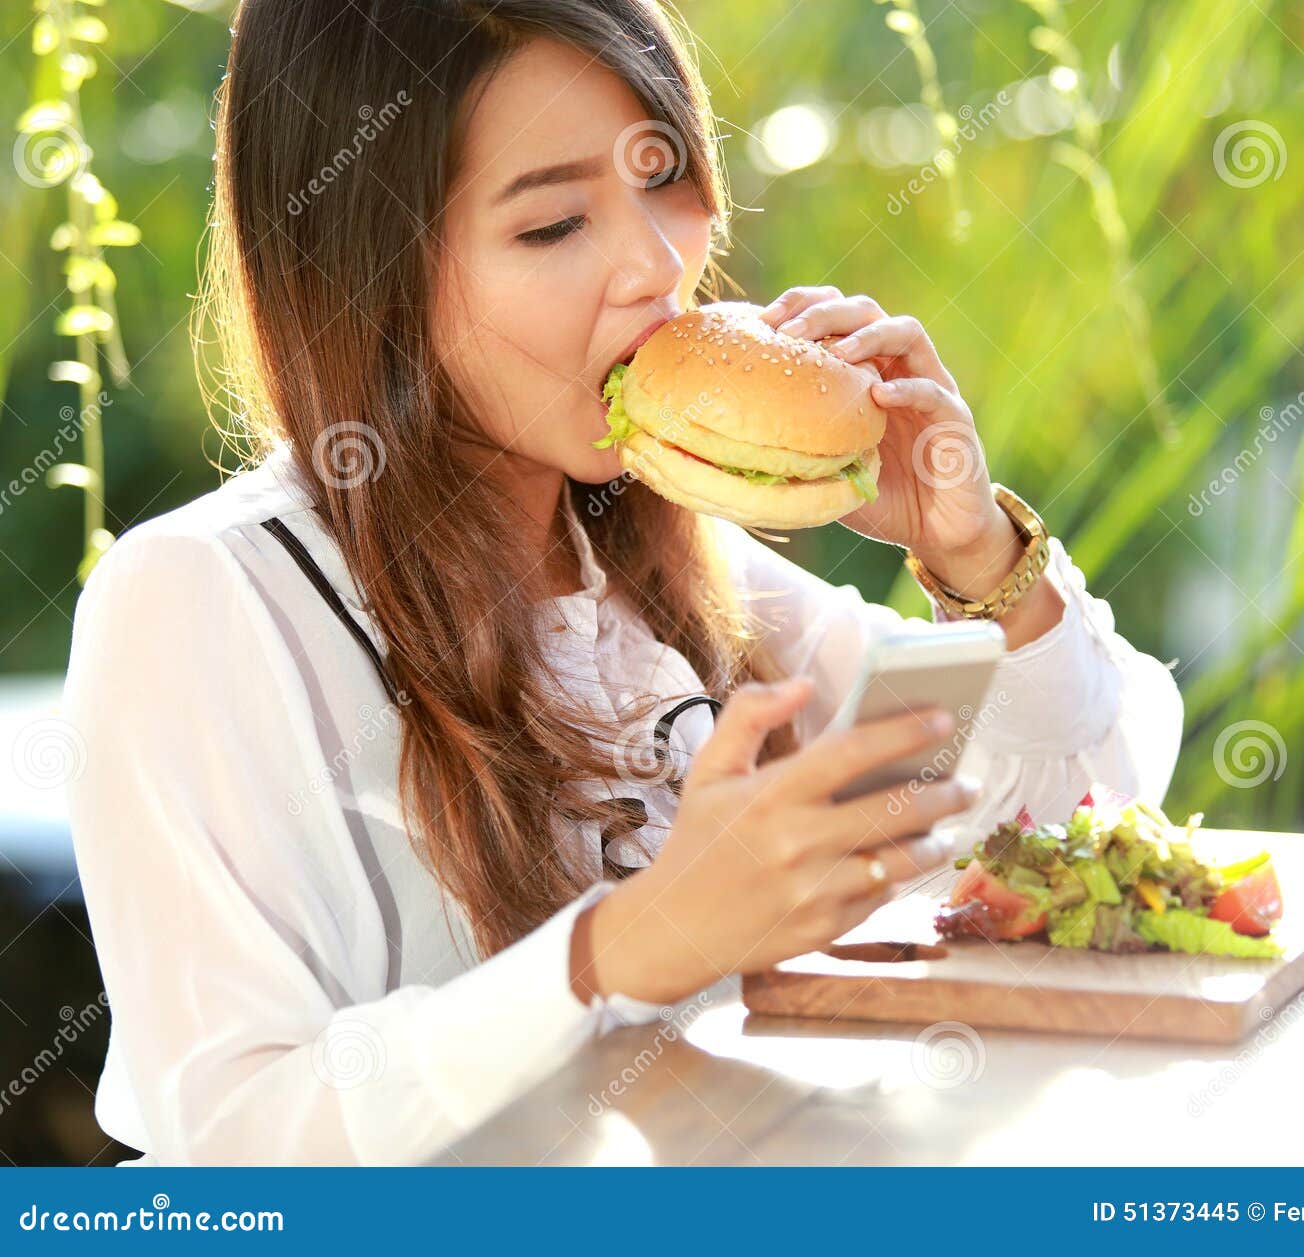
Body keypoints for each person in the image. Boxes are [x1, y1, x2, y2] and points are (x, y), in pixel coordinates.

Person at [61, 0, 1181, 1165]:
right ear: (358, 274)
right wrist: (619, 949)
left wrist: (973, 558)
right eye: (552, 226)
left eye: (665, 178)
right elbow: (241, 1141)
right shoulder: (198, 600)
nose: (656, 266)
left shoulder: (662, 557)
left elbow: (1073, 833)